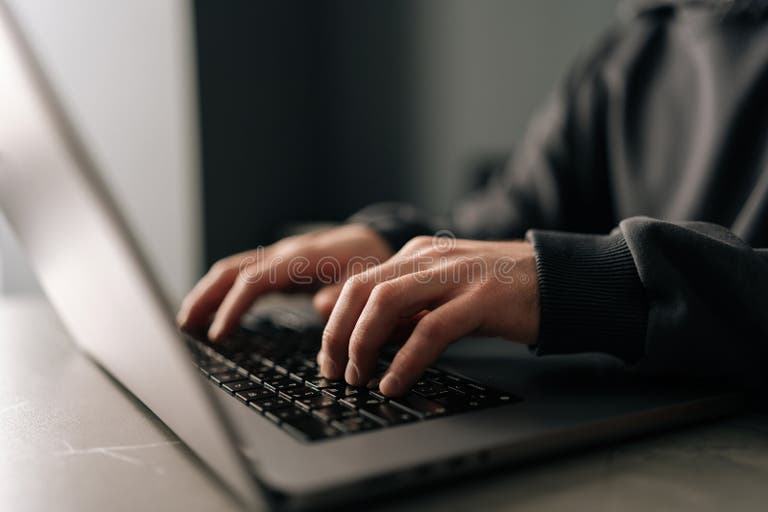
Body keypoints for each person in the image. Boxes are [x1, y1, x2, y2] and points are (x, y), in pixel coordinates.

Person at [177, 0, 768, 398]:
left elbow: (540, 269)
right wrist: (389, 242)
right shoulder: (636, 46)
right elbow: (517, 211)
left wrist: (572, 283)